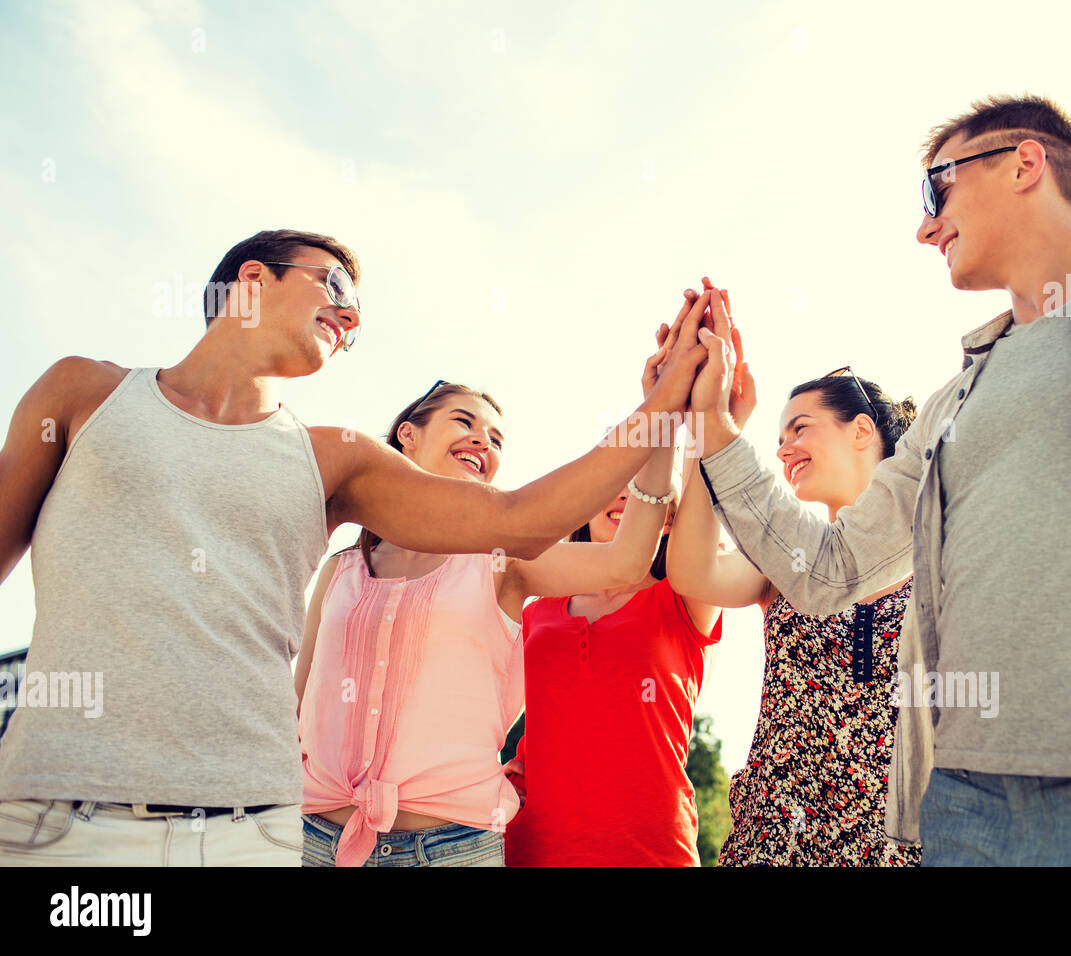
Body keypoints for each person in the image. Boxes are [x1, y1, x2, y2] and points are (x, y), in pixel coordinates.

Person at [689, 96, 1071, 866]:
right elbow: (830, 569)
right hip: (964, 818)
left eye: (934, 190)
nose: (924, 226)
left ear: (1023, 163)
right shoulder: (948, 407)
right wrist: (713, 426)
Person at [0, 229, 708, 866]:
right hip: (55, 811)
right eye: (333, 285)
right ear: (253, 281)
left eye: (360, 312)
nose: (352, 315)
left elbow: (519, 517)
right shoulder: (82, 393)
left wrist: (663, 409)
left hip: (249, 831)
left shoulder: (333, 460)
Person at [296, 333, 677, 866]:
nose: (484, 442)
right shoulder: (340, 570)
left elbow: (627, 559)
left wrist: (661, 420)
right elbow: (294, 707)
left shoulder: (503, 563)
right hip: (316, 842)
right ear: (408, 434)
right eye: (465, 422)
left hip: (452, 850)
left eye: (497, 439)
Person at [667, 358, 919, 866]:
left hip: (899, 846)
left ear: (862, 430)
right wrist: (705, 437)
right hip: (777, 839)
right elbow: (693, 574)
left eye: (799, 428)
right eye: (779, 437)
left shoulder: (939, 559)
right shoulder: (785, 559)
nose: (782, 450)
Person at [504, 310, 723, 865]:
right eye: (612, 483)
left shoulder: (685, 598)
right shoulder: (535, 601)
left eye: (642, 487)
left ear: (666, 517)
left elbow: (706, 493)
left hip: (649, 848)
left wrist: (685, 405)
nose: (624, 496)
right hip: (534, 845)